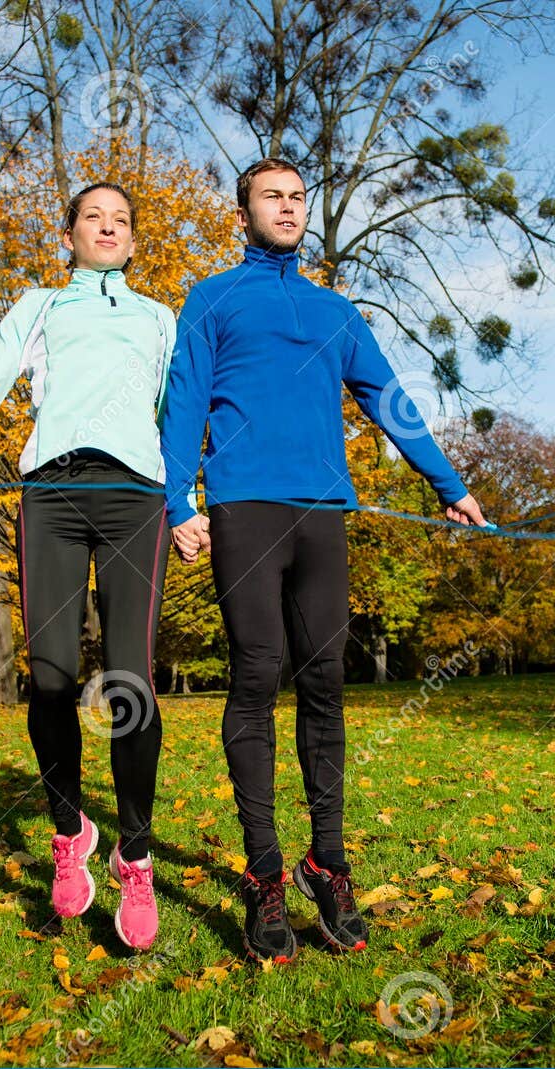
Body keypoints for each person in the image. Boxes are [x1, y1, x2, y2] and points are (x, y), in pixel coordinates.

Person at [161, 157, 488, 964]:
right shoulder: (213, 299)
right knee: (256, 672)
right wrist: (178, 503)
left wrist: (448, 483)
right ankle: (266, 875)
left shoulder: (336, 311)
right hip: (246, 509)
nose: (288, 207)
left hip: (322, 514)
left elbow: (387, 399)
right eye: (272, 196)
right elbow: (183, 404)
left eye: (298, 197)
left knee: (325, 680)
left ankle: (326, 863)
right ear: (243, 213)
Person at [0, 183, 174, 951]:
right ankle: (69, 830)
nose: (109, 228)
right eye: (95, 218)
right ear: (70, 234)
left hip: (135, 501)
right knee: (49, 674)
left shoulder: (160, 319)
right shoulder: (41, 305)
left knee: (130, 681)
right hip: (51, 498)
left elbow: (176, 415)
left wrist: (187, 504)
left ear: (132, 239)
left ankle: (138, 856)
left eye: (122, 220)